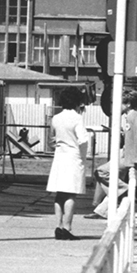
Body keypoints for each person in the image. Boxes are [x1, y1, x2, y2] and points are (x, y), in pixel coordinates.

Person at [87, 91, 137, 219]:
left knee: (101, 172)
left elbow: (136, 139)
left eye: (119, 104)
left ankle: (129, 191)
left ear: (127, 104)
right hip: (129, 154)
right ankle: (102, 210)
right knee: (113, 181)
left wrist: (133, 161)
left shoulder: (133, 116)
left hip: (129, 156)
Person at [46, 87, 91, 240]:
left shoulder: (56, 118)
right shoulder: (77, 118)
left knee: (59, 194)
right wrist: (83, 157)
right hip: (73, 157)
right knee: (71, 194)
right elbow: (83, 139)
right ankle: (67, 227)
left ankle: (58, 226)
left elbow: (51, 140)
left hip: (59, 157)